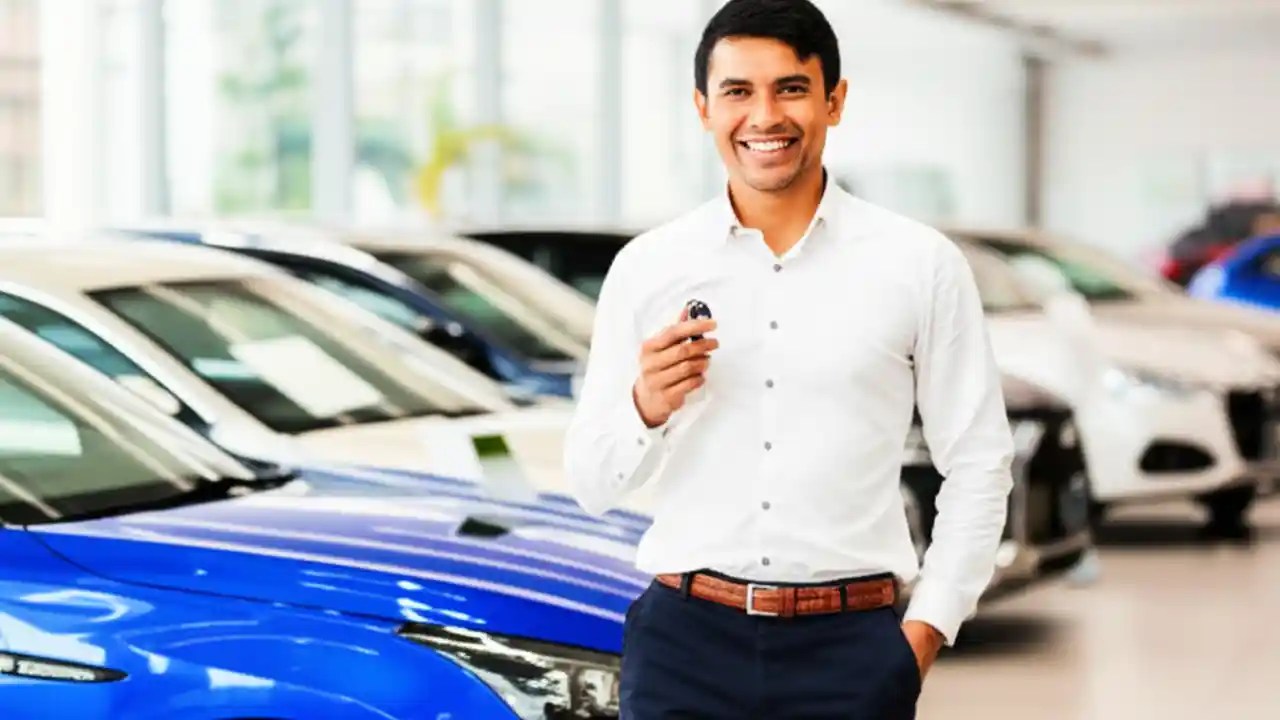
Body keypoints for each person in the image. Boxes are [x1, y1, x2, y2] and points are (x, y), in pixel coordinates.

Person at [563, 0, 1015, 716]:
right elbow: (591, 482)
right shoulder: (649, 268)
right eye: (738, 91)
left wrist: (926, 631)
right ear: (703, 107)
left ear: (834, 102)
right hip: (684, 646)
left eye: (791, 88)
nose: (764, 115)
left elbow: (981, 461)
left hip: (852, 652)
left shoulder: (918, 264)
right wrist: (644, 406)